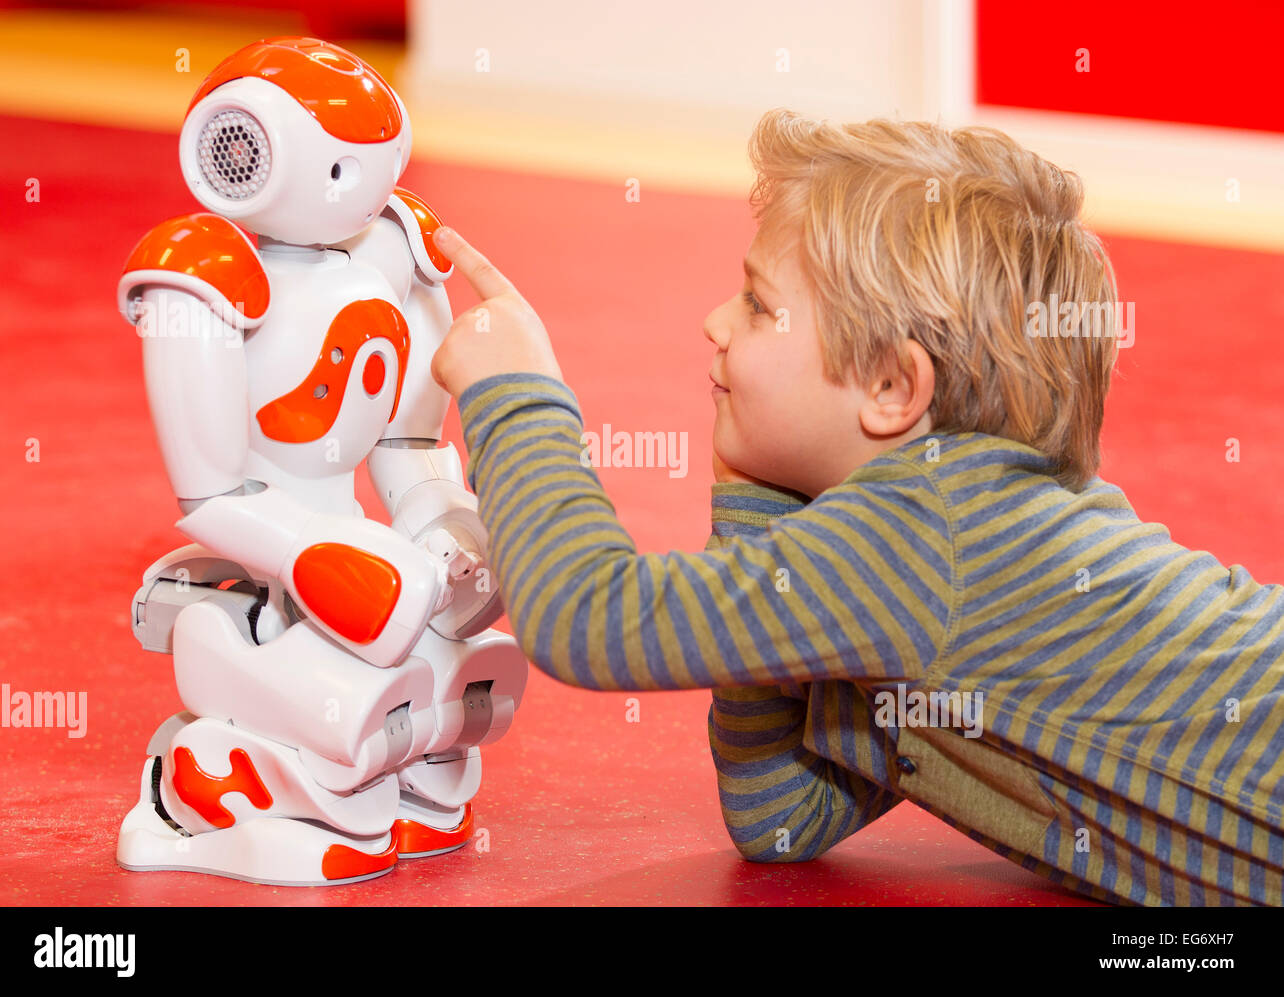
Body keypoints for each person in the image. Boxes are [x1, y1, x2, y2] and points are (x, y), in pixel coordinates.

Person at [427, 109, 1284, 906]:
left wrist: (518, 396)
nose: (715, 322)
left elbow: (588, 616)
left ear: (890, 388)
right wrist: (752, 493)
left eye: (760, 306)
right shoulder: (921, 567)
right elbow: (780, 818)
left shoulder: (920, 535)